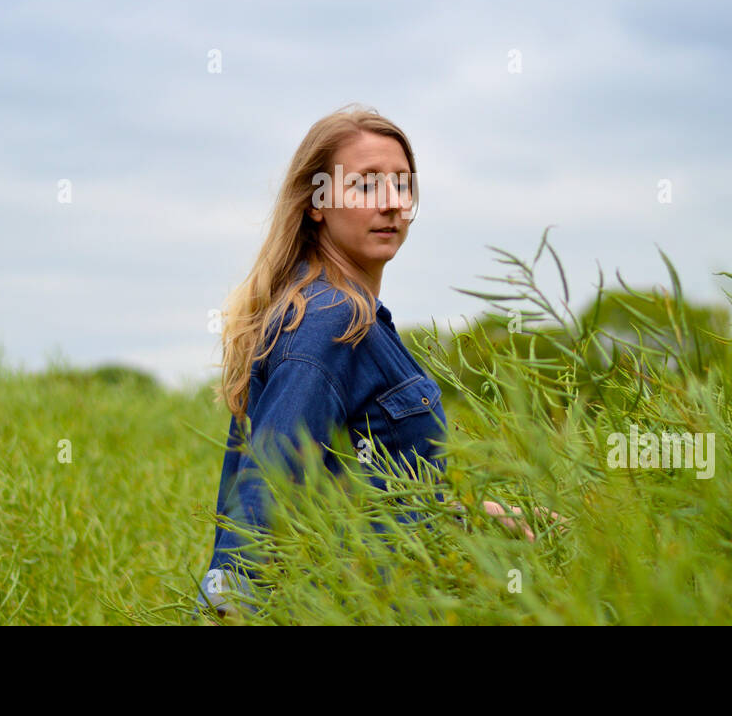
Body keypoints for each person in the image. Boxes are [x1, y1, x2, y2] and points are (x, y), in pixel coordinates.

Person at [195, 105, 539, 619]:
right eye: (366, 185)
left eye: (402, 186)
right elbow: (265, 494)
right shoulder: (327, 322)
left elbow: (356, 496)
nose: (392, 204)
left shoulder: (358, 319)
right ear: (317, 203)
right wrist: (228, 600)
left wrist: (473, 514)